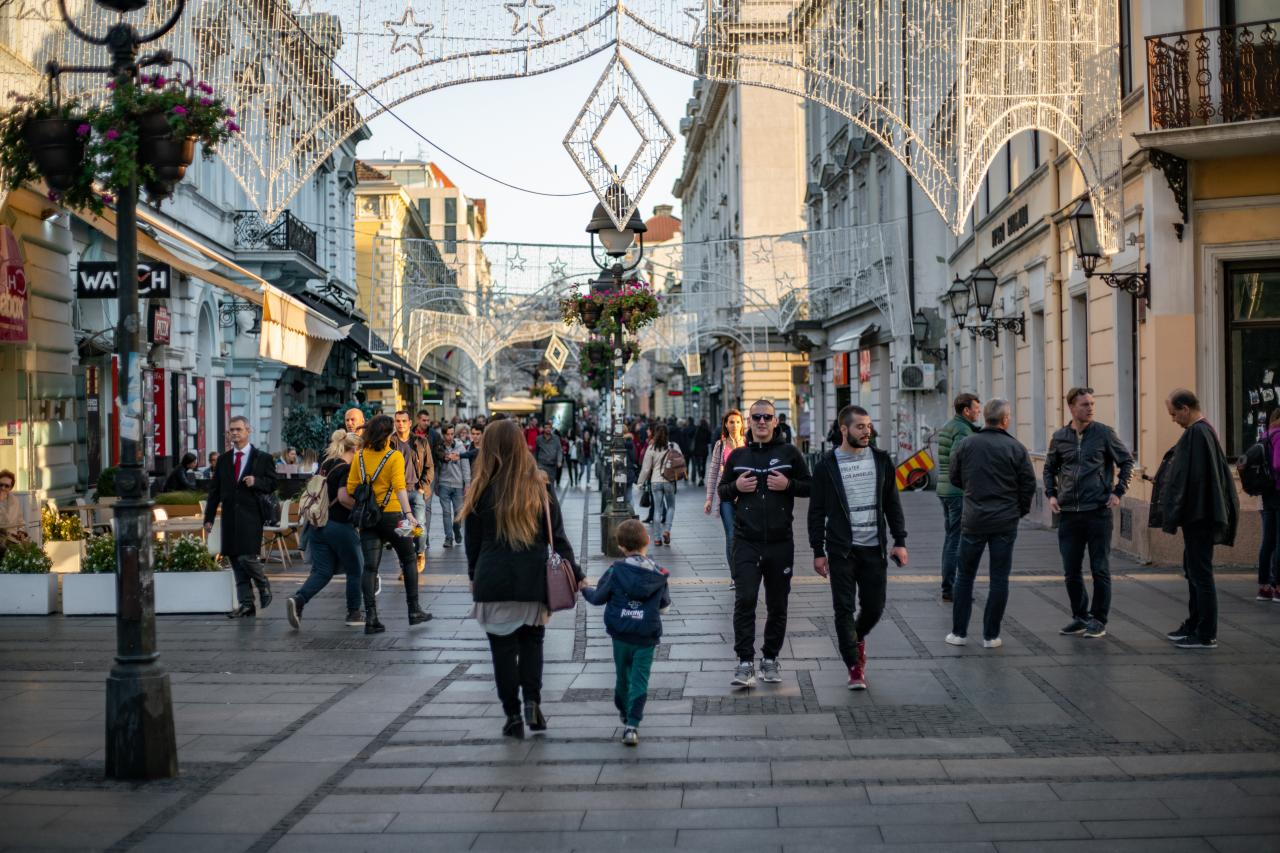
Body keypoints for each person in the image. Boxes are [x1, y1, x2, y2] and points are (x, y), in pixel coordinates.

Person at [460, 419, 584, 739]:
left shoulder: (480, 488)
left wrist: (473, 575)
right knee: (532, 644)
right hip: (532, 579)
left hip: (493, 580)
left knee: (501, 651)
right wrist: (578, 574)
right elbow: (557, 536)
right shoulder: (539, 485)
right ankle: (532, 702)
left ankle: (512, 715)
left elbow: (472, 543)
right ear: (521, 446)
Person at [808, 405, 907, 691]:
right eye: (860, 427)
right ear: (844, 429)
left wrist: (900, 541)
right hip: (842, 550)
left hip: (874, 548)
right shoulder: (826, 466)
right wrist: (818, 551)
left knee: (875, 607)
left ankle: (856, 638)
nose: (867, 432)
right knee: (843, 608)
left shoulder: (881, 460)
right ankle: (854, 666)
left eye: (869, 426)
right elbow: (816, 512)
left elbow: (892, 504)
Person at [719, 399, 811, 687]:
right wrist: (736, 487)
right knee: (745, 600)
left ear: (775, 421)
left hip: (780, 543)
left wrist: (789, 485)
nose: (761, 422)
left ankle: (770, 658)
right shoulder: (738, 456)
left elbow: (810, 486)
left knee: (777, 604)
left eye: (766, 417)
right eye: (756, 417)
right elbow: (722, 491)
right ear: (749, 422)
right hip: (746, 541)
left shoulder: (789, 453)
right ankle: (745, 662)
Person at [1150, 389, 1239, 650]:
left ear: (1185, 409)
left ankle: (1205, 633)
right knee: (1193, 570)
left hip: (1200, 516)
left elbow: (1194, 479)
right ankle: (1194, 623)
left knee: (1200, 574)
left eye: (1174, 413)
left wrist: (1176, 502)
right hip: (1199, 514)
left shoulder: (1198, 433)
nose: (1173, 419)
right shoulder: (1201, 432)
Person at [1043, 387, 1135, 639]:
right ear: (1072, 407)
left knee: (1099, 568)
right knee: (1071, 571)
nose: (1090, 408)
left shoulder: (1104, 433)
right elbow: (1049, 468)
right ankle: (1080, 617)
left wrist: (1118, 491)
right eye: (1084, 404)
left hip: (1097, 512)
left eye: (1092, 403)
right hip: (1069, 514)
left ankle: (1098, 620)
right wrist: (1051, 494)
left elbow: (1127, 462)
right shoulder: (1060, 437)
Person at [945, 399, 1036, 648]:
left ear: (985, 417)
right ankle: (991, 635)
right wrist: (1019, 511)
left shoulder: (966, 444)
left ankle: (959, 633)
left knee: (964, 577)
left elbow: (954, 476)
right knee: (999, 578)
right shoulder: (1016, 447)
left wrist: (972, 491)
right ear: (1005, 420)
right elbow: (1028, 484)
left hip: (974, 519)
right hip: (1005, 521)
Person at [583, 518, 670, 747]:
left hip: (621, 634)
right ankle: (632, 726)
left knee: (623, 676)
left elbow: (597, 598)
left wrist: (584, 589)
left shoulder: (615, 571)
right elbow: (665, 607)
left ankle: (623, 708)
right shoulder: (658, 573)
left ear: (621, 546)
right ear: (647, 541)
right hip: (646, 635)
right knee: (640, 679)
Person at [347, 414, 432, 634]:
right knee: (409, 558)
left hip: (368, 519)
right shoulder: (393, 456)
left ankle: (371, 618)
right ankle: (414, 610)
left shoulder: (360, 456)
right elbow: (400, 488)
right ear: (387, 434)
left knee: (370, 567)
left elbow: (351, 487)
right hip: (393, 516)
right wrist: (409, 514)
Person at [287, 430, 364, 629]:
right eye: (361, 451)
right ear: (355, 449)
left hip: (317, 525)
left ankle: (299, 600)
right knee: (356, 568)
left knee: (323, 571)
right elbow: (343, 497)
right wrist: (360, 509)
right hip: (339, 525)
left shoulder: (325, 465)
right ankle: (354, 613)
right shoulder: (346, 468)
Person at [204, 416, 278, 618]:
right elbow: (215, 491)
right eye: (231, 430)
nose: (234, 433)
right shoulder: (223, 460)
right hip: (229, 517)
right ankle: (246, 604)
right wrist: (209, 517)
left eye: (238, 429)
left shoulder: (262, 458)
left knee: (246, 556)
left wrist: (257, 481)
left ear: (248, 430)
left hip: (251, 516)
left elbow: (273, 484)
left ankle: (262, 583)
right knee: (235, 560)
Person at [935, 393, 980, 603]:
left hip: (946, 489)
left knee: (950, 539)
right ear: (966, 410)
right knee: (956, 541)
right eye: (976, 408)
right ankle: (951, 589)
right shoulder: (962, 430)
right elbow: (958, 459)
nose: (979, 412)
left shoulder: (951, 425)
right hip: (956, 492)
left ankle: (949, 587)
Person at [704, 410, 745, 588]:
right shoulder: (720, 445)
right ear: (726, 425)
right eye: (731, 422)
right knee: (731, 535)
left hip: (745, 497)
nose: (734, 425)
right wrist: (709, 499)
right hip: (726, 496)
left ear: (742, 424)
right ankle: (735, 576)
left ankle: (746, 571)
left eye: (737, 422)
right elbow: (713, 472)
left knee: (745, 537)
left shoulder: (748, 444)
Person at [392, 410, 434, 572]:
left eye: (404, 421)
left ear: (410, 423)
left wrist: (423, 487)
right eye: (397, 421)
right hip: (398, 492)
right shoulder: (389, 442)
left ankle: (420, 553)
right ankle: (405, 565)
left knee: (420, 527)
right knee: (404, 529)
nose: (400, 424)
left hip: (416, 490)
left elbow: (429, 466)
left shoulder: (420, 441)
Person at [638, 424, 678, 547]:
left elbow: (646, 469)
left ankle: (657, 538)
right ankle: (667, 531)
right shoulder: (673, 446)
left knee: (657, 509)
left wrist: (640, 483)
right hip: (669, 481)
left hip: (655, 482)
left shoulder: (651, 448)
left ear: (655, 434)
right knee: (671, 507)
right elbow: (681, 461)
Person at [1254, 409, 1280, 601]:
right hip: (1279, 491)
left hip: (1266, 494)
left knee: (1268, 541)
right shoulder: (1279, 436)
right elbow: (1278, 464)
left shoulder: (1264, 436)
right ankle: (1278, 587)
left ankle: (1264, 587)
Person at [433, 423, 471, 548]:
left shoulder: (460, 447)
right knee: (446, 512)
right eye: (447, 434)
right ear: (443, 435)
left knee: (458, 512)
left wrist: (467, 483)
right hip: (444, 484)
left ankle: (456, 528)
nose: (450, 437)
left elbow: (465, 466)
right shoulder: (439, 447)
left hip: (458, 484)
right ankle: (448, 538)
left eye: (452, 434)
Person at [0, 468, 28, 561]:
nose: (3, 488)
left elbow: (21, 521)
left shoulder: (15, 501)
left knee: (30, 551)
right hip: (2, 538)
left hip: (12, 537)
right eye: (0, 485)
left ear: (11, 488)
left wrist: (21, 532)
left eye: (6, 486)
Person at [534, 422, 563, 486]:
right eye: (546, 428)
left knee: (550, 484)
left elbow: (559, 450)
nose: (548, 429)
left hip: (552, 465)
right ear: (543, 429)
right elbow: (536, 451)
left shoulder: (556, 438)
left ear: (551, 428)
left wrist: (559, 461)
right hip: (541, 465)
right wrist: (535, 463)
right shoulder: (539, 439)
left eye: (549, 427)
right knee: (541, 484)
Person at [692, 419, 712, 487]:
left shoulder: (697, 429)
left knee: (698, 465)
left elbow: (695, 439)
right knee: (703, 464)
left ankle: (700, 477)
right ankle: (702, 478)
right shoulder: (707, 430)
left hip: (697, 450)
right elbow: (709, 441)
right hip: (704, 450)